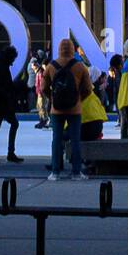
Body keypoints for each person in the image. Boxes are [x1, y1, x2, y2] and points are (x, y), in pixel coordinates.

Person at [44, 37, 92, 180]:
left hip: (57, 110)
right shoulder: (80, 66)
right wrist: (78, 99)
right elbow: (88, 89)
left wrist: (52, 99)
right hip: (74, 110)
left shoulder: (51, 66)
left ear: (59, 49)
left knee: (56, 139)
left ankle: (55, 171)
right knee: (75, 140)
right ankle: (76, 172)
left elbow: (43, 88)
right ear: (72, 49)